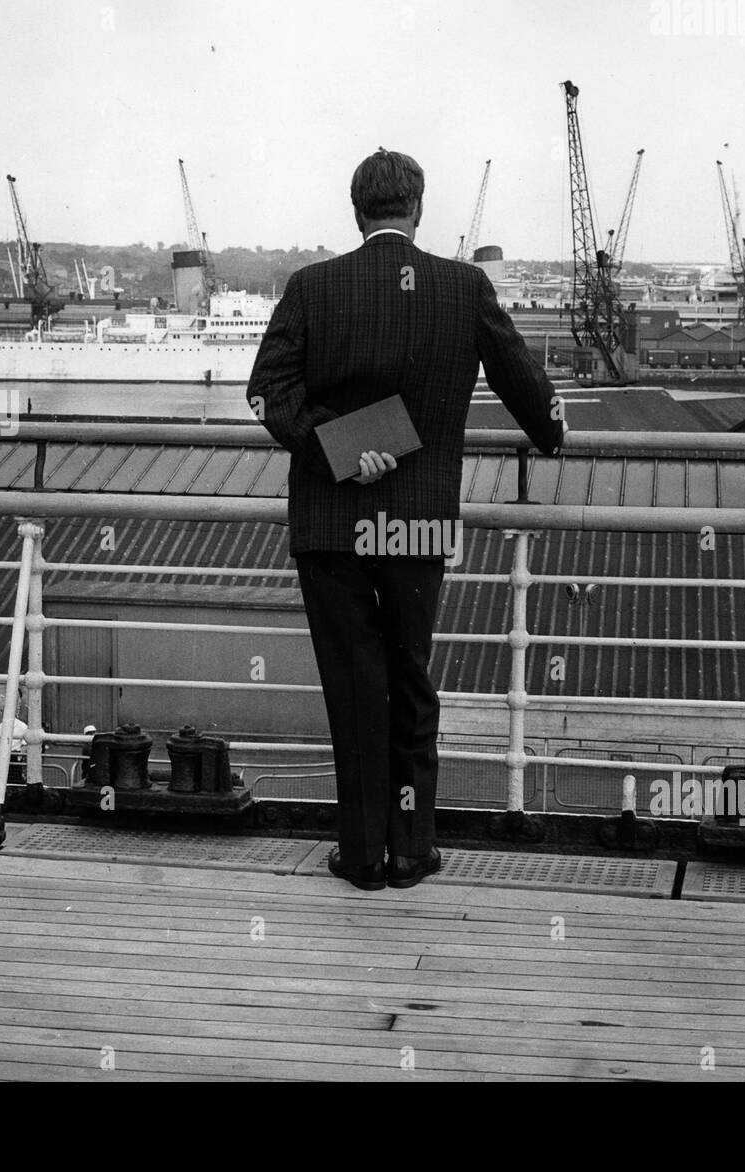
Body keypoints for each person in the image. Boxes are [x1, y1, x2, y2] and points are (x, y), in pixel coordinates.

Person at [246, 148, 564, 891]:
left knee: (354, 684)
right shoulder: (462, 287)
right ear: (418, 209)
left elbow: (267, 392)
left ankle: (360, 855)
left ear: (356, 213)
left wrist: (340, 449)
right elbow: (521, 377)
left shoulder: (311, 287)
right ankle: (412, 848)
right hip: (418, 524)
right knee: (412, 681)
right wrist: (553, 432)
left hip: (331, 522)